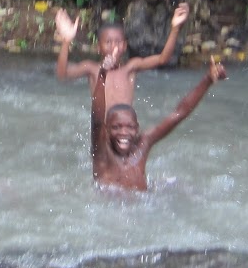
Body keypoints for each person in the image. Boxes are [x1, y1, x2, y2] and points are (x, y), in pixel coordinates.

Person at [56, 1, 189, 149]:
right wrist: (66, 42)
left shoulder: (130, 68)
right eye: (108, 42)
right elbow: (63, 74)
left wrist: (175, 28)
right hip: (103, 129)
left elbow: (163, 58)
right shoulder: (92, 68)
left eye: (118, 42)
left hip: (125, 128)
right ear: (98, 47)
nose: (114, 47)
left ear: (125, 46)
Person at [91, 54, 227, 191]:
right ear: (106, 130)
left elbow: (179, 114)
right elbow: (97, 120)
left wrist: (208, 79)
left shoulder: (142, 145)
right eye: (116, 127)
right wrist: (102, 75)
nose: (124, 132)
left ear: (137, 129)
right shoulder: (103, 152)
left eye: (130, 127)